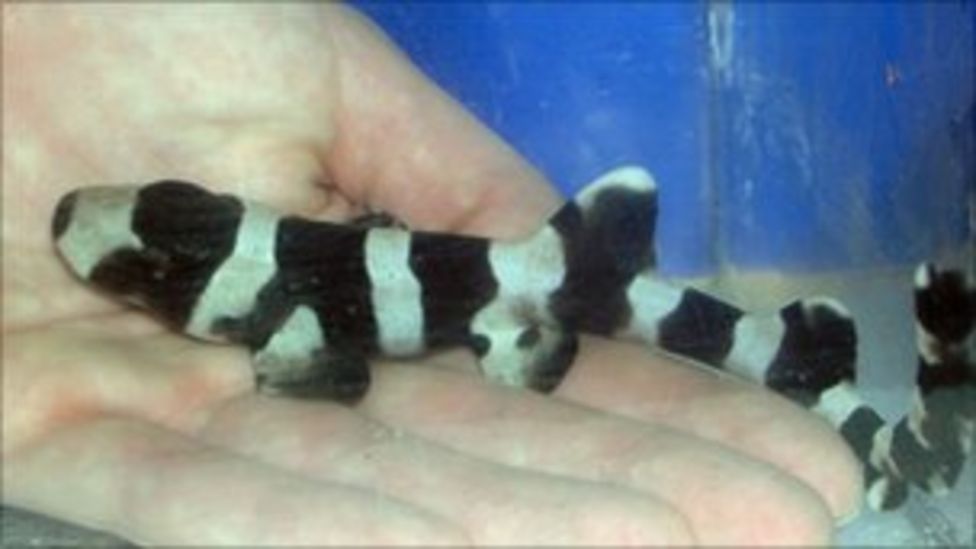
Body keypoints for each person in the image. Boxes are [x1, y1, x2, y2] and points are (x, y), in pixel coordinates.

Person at [3, 4, 862, 545]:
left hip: (522, 291)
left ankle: (795, 357)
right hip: (511, 291)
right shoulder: (273, 275)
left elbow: (324, 372)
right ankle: (785, 353)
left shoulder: (274, 303)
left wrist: (287, 370)